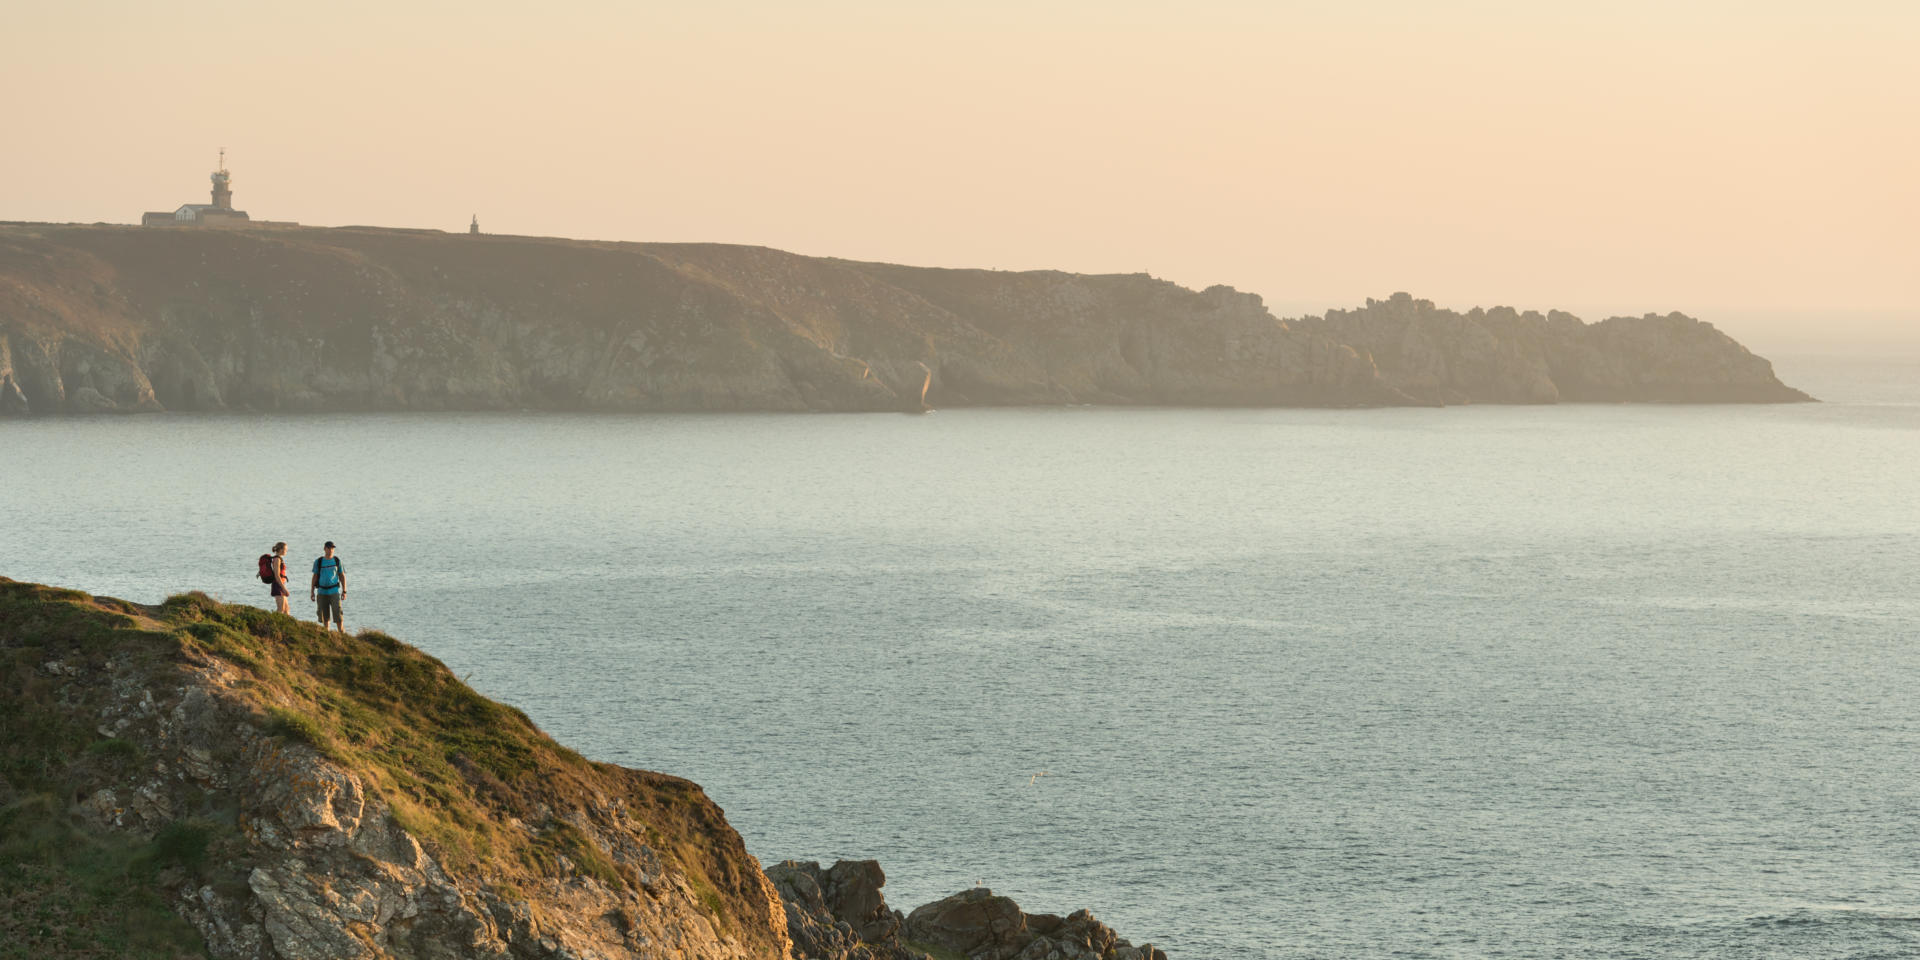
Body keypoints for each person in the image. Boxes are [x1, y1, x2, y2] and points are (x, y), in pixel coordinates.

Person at [310, 541, 347, 632]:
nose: (331, 550)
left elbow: (342, 576)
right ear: (324, 549)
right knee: (324, 617)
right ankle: (327, 635)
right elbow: (314, 577)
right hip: (322, 592)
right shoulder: (318, 562)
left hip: (334, 591)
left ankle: (342, 634)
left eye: (332, 548)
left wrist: (344, 591)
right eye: (329, 548)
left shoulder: (337, 561)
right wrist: (312, 592)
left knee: (338, 615)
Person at [269, 541, 291, 615]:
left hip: (280, 584)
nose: (286, 551)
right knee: (280, 609)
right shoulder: (277, 559)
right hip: (278, 585)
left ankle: (287, 625)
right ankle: (273, 623)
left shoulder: (279, 559)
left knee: (286, 609)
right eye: (285, 549)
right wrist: (284, 589)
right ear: (281, 549)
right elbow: (277, 575)